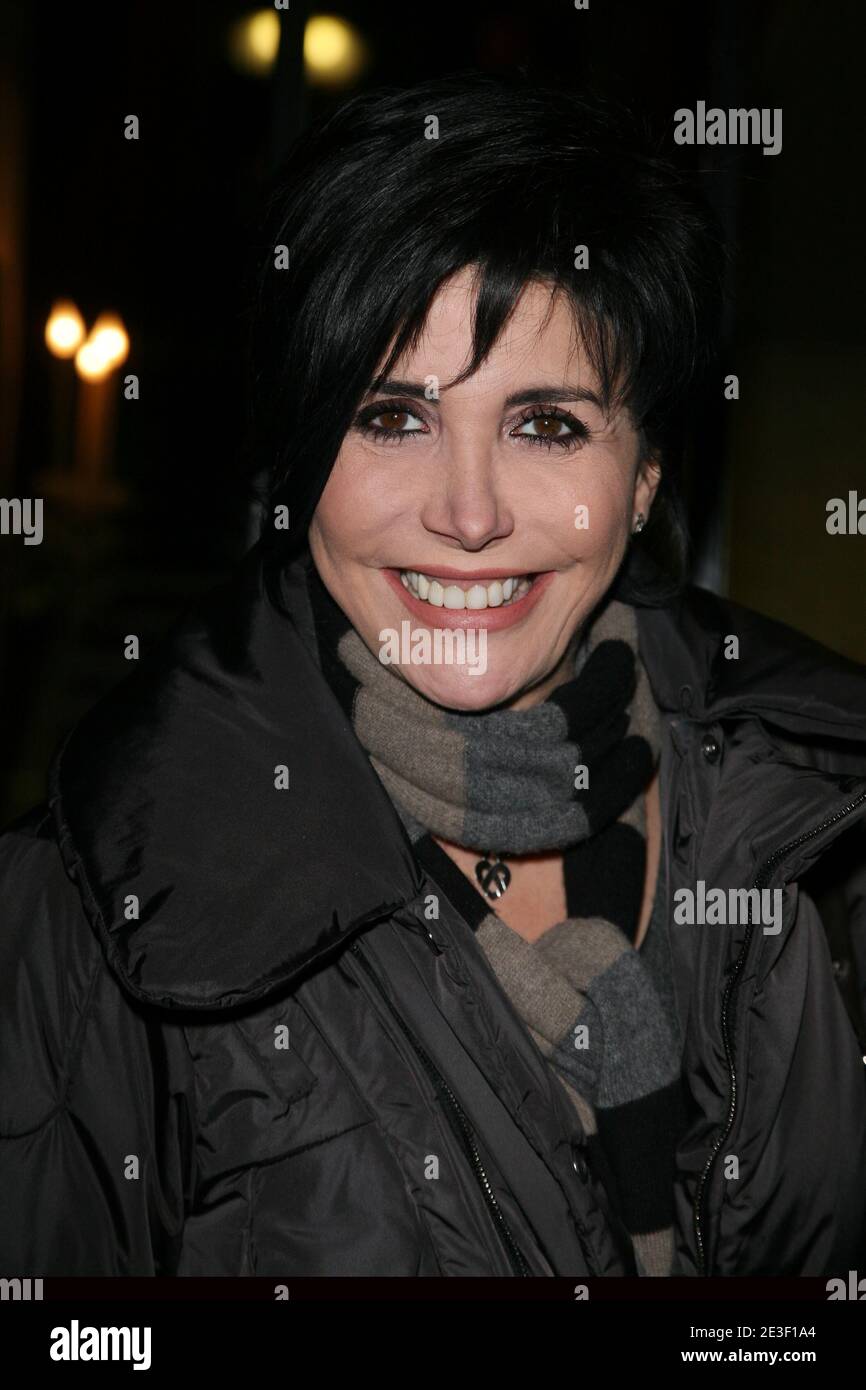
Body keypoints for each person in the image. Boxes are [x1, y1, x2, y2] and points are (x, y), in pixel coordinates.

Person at [1, 73, 865, 1279]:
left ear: (648, 479)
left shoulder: (826, 825)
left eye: (546, 424)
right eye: (392, 419)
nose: (466, 515)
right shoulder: (85, 917)